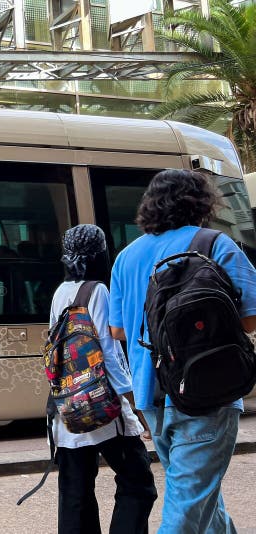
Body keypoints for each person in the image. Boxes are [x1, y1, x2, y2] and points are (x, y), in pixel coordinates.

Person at [109, 169, 256, 533]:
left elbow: (117, 330)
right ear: (202, 203)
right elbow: (251, 320)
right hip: (207, 390)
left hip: (150, 394)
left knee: (199, 494)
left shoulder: (126, 256)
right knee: (190, 503)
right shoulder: (214, 244)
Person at [50, 224, 156, 534]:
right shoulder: (98, 290)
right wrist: (136, 405)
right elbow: (108, 354)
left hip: (68, 407)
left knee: (75, 493)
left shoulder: (60, 292)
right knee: (138, 482)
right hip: (103, 407)